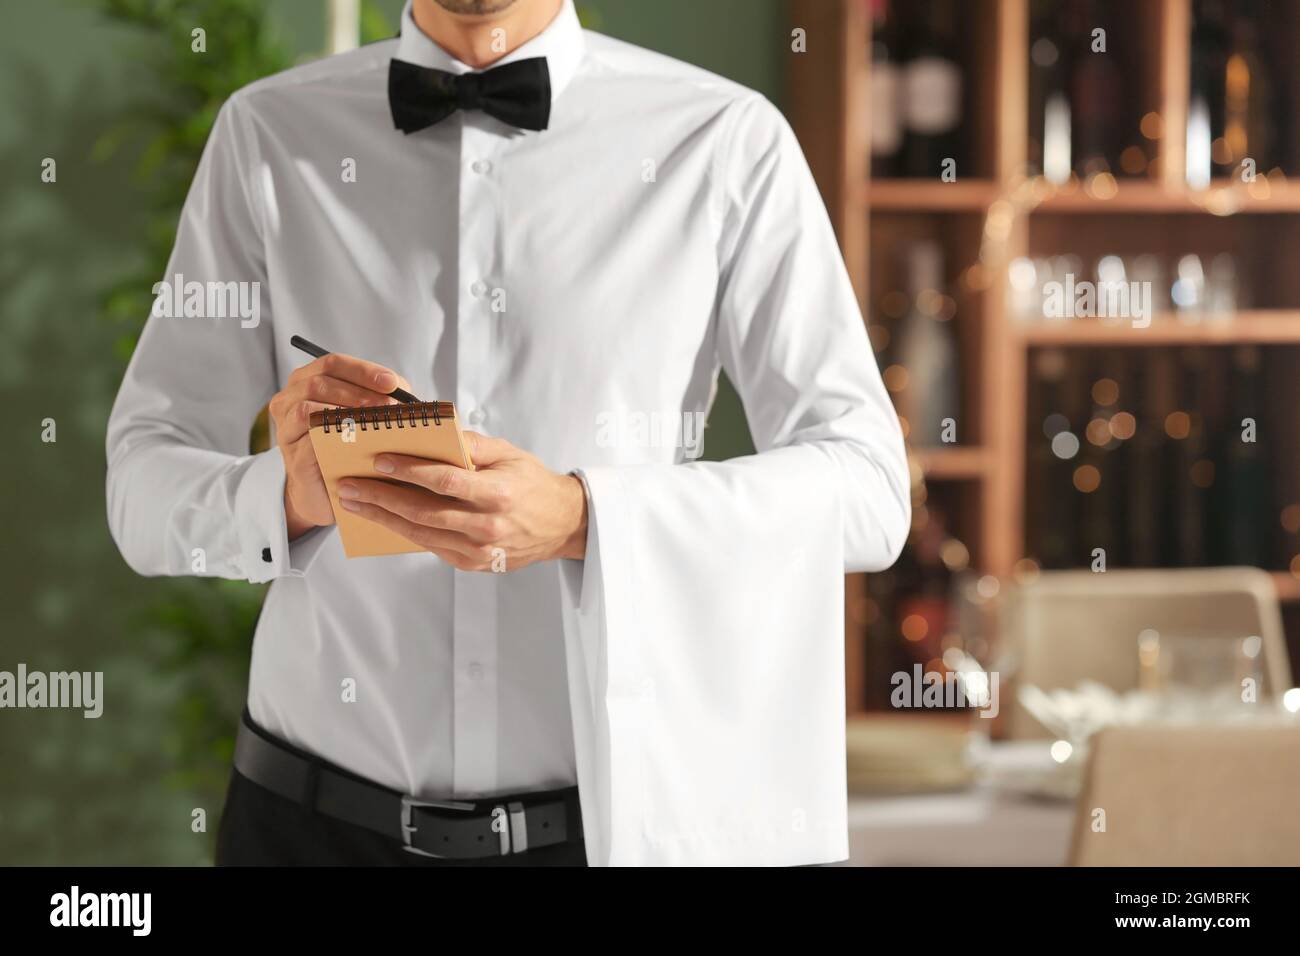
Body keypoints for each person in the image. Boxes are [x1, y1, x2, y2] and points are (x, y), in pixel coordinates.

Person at [106, 0, 910, 866]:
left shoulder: (724, 140)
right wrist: (285, 499)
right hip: (304, 828)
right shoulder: (265, 132)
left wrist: (580, 516)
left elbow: (869, 491)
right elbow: (142, 483)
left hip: (604, 831)